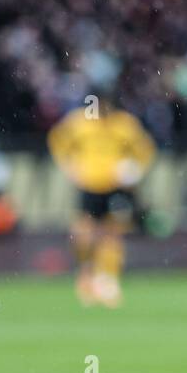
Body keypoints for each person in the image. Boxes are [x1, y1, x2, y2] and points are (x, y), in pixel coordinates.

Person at [48, 100, 156, 307]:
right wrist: (69, 166)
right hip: (89, 185)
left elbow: (145, 148)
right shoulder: (79, 122)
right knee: (83, 232)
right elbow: (57, 140)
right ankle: (86, 274)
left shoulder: (124, 124)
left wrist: (135, 171)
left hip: (114, 186)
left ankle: (107, 280)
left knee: (112, 232)